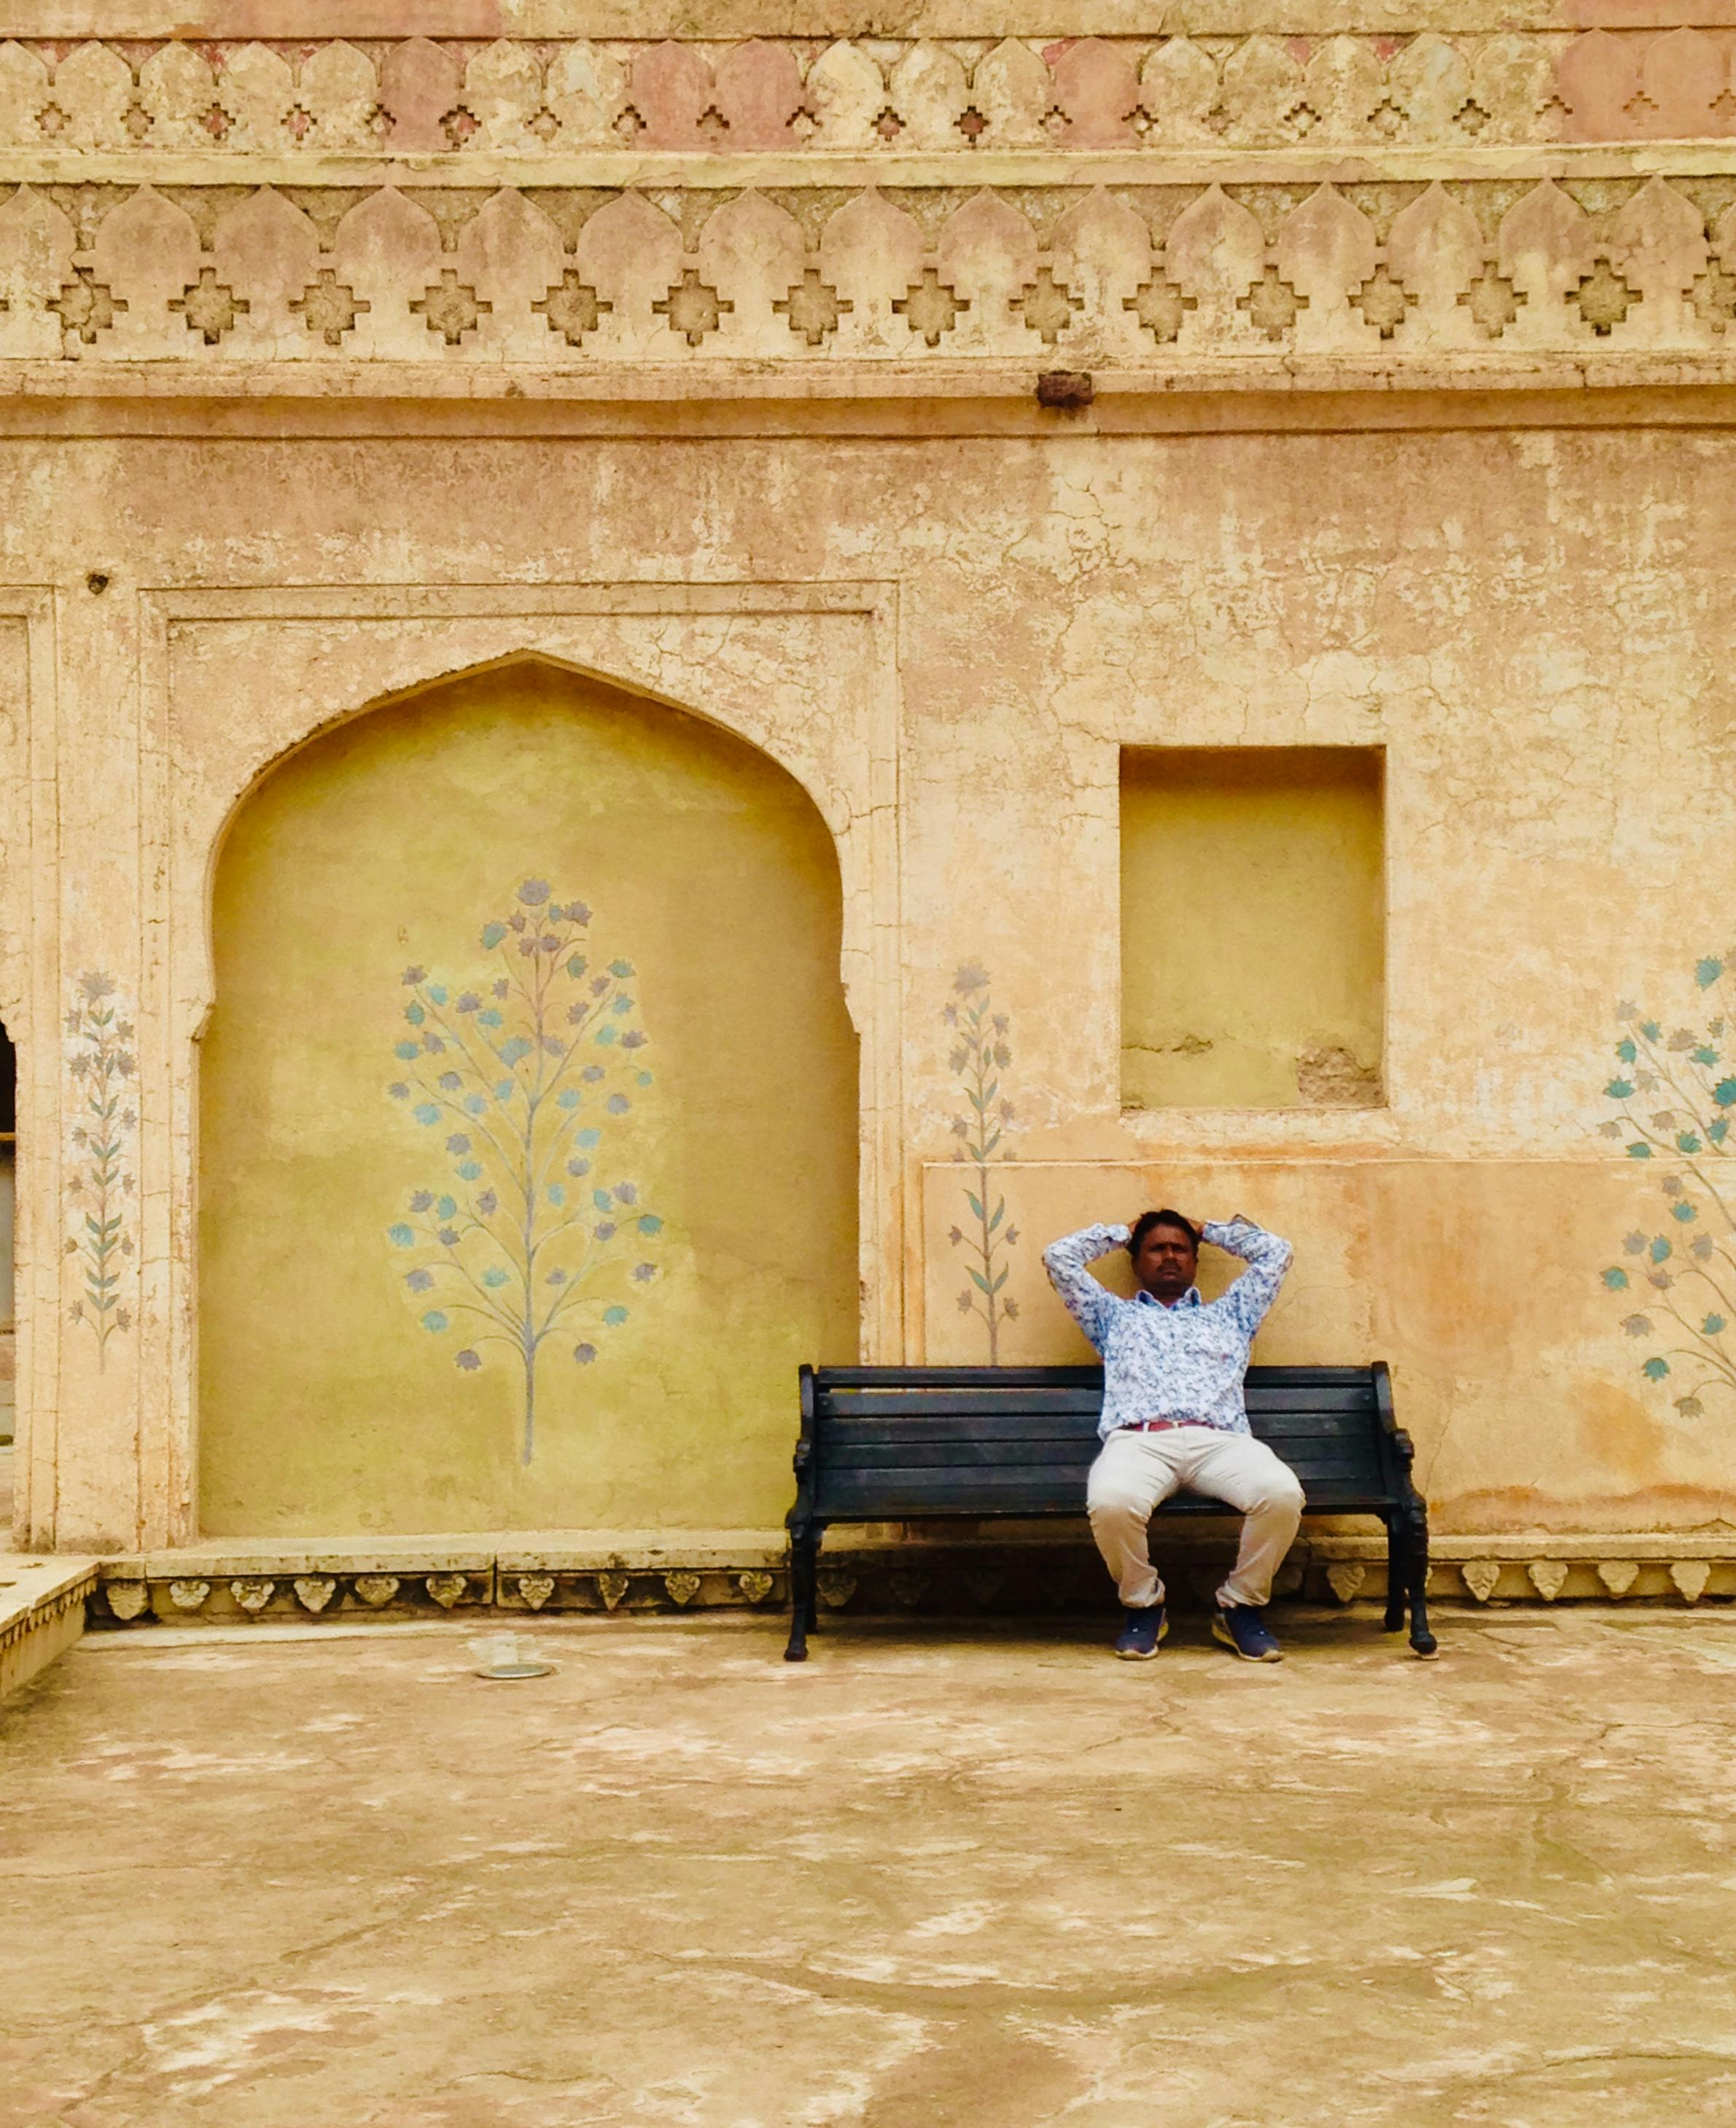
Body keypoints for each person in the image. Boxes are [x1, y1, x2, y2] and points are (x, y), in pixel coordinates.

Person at [1043, 1210, 1302, 1663]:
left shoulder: (1233, 1314)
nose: (1169, 1256)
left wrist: (1208, 1230)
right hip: (1139, 1441)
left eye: (1180, 1248)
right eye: (1156, 1248)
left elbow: (1277, 1253)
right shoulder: (1111, 1317)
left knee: (1281, 1494)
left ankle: (1239, 1605)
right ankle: (1144, 1604)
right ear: (1136, 1261)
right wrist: (1123, 1232)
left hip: (1219, 1442)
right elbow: (1058, 1258)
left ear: (1195, 1261)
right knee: (1111, 1502)